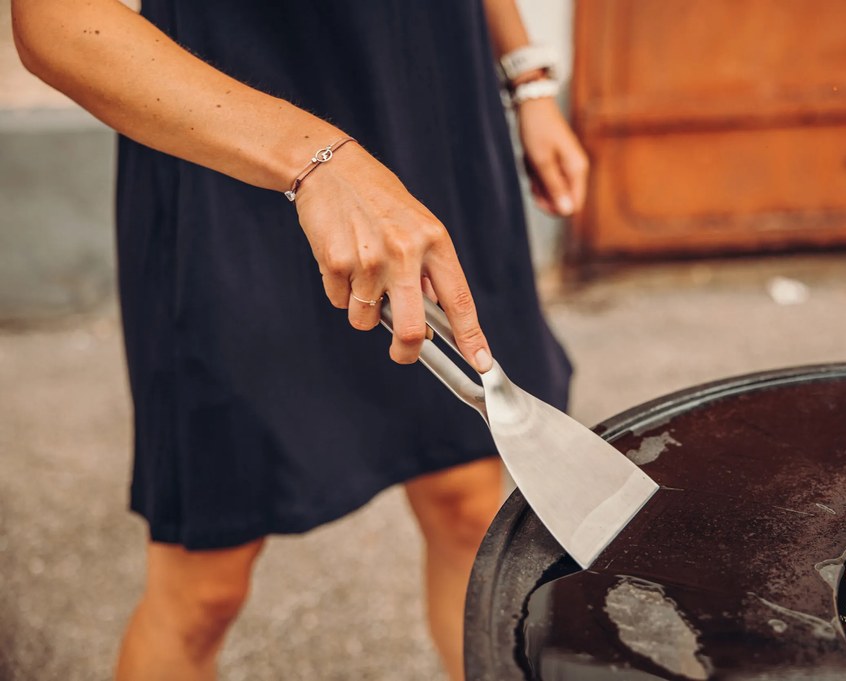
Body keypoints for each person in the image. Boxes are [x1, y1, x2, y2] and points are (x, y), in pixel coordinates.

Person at [11, 1, 588, 679]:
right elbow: (53, 24)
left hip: (434, 117)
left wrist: (528, 79)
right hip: (229, 154)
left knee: (468, 503)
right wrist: (315, 161)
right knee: (205, 584)